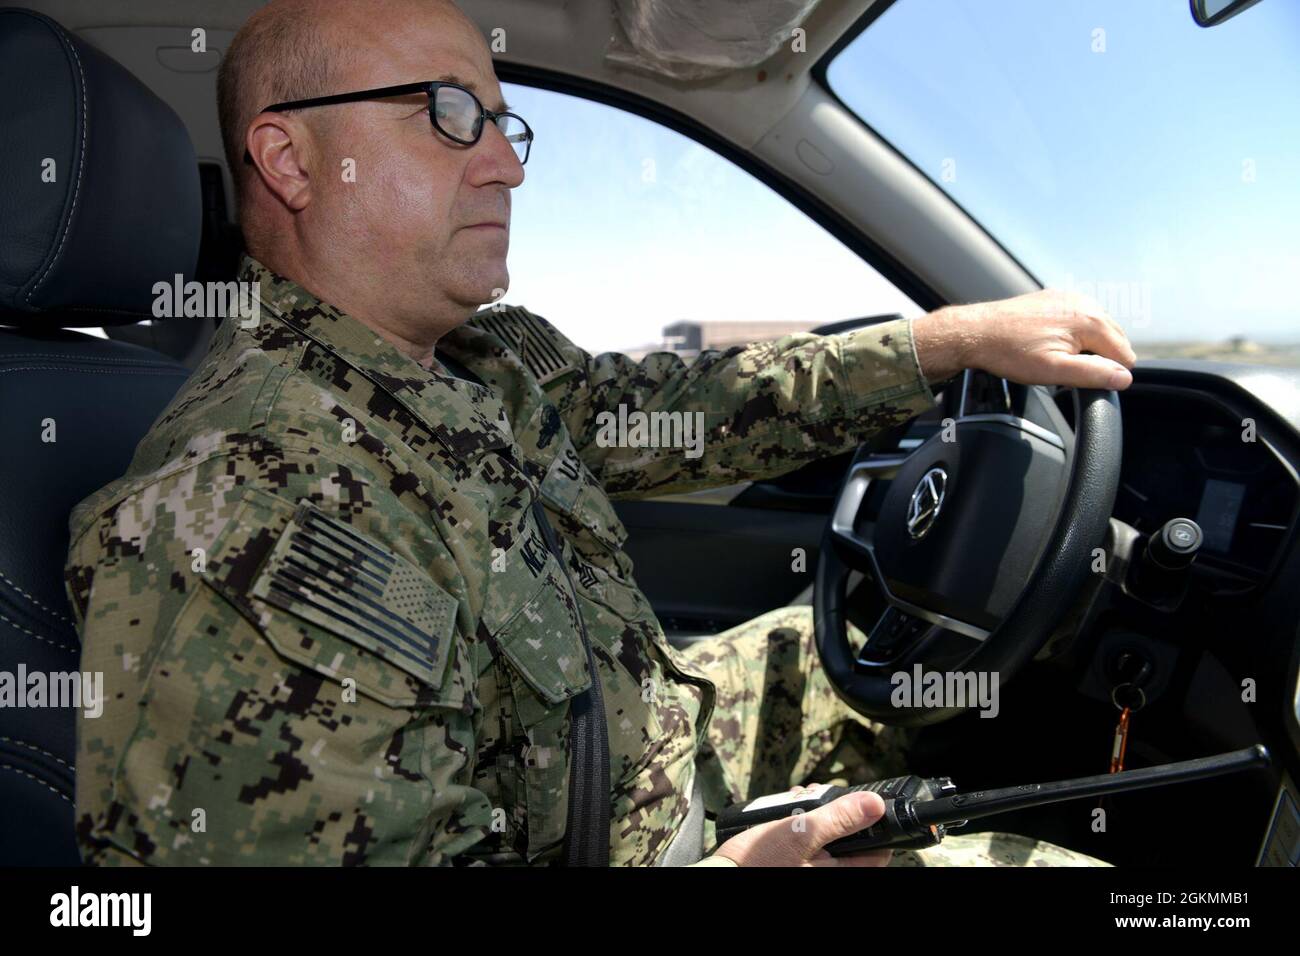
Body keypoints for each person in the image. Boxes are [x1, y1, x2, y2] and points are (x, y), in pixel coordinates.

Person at [64, 0, 1134, 866]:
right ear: (291, 161)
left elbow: (689, 407)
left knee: (886, 645)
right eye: (448, 113)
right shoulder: (250, 508)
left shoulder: (474, 358)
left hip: (642, 757)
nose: (507, 165)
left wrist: (947, 343)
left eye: (502, 122)